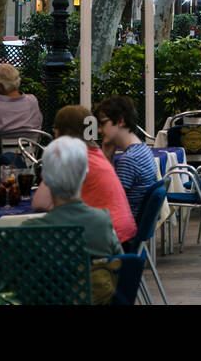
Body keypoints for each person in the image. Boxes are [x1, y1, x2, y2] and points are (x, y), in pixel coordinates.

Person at [31, 104, 138, 244]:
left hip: (105, 236)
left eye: (55, 129)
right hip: (121, 235)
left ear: (60, 132)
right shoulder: (96, 153)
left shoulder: (70, 157)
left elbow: (40, 203)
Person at [23, 136, 124, 259]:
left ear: (44, 177)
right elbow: (122, 268)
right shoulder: (102, 223)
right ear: (85, 176)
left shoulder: (30, 230)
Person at [95, 95, 158, 224]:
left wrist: (106, 158)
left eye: (102, 123)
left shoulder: (129, 160)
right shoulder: (142, 149)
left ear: (120, 121)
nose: (99, 130)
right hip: (137, 226)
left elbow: (109, 200)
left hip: (122, 229)